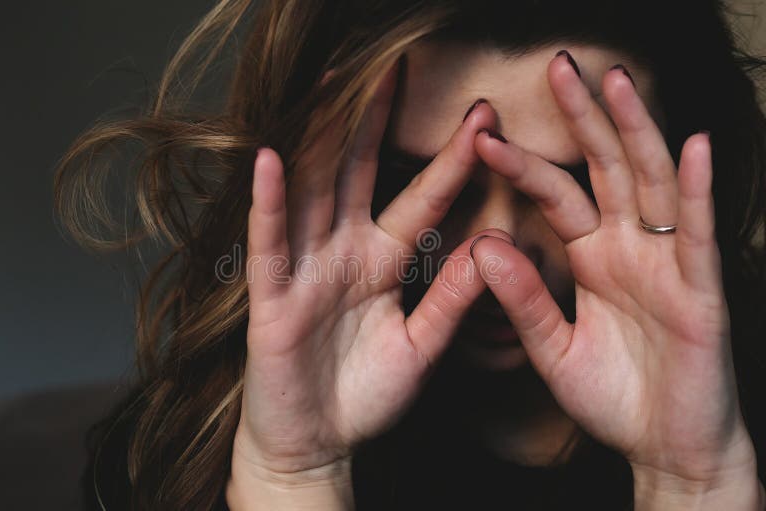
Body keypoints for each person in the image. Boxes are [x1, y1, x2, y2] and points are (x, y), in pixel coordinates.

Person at [54, 0, 766, 509]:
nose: (495, 253)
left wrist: (695, 486)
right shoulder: (163, 453)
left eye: (571, 184)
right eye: (422, 182)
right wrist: (291, 478)